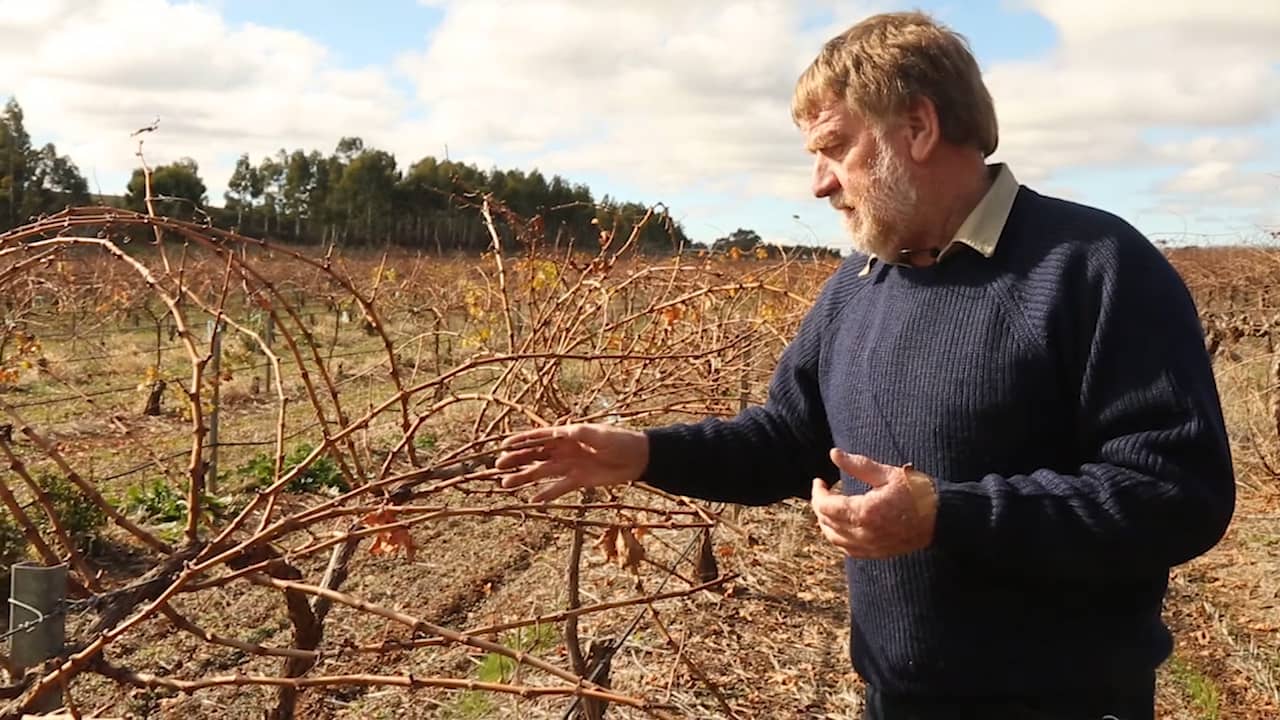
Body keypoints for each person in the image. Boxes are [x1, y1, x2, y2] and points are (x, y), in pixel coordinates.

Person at [496, 10, 1235, 720]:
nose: (819, 183)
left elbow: (1175, 492)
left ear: (918, 127)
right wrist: (645, 452)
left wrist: (949, 512)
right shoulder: (858, 287)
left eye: (835, 147)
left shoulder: (1093, 268)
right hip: (895, 700)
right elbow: (789, 441)